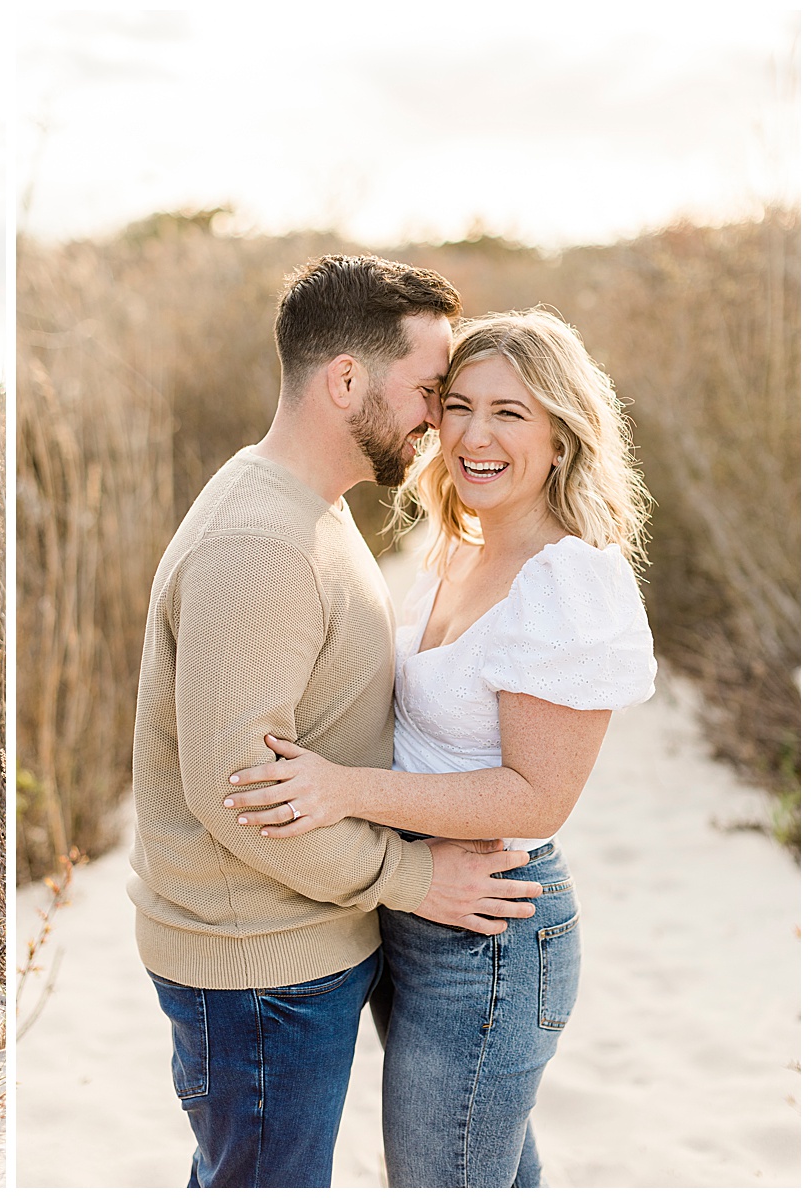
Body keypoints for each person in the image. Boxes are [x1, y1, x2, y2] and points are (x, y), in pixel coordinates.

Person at [129, 255, 546, 1189]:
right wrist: (414, 877)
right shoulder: (260, 544)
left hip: (291, 947)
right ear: (347, 380)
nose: (439, 420)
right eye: (429, 391)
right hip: (256, 970)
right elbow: (237, 795)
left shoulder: (305, 505)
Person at [225, 307, 657, 1186]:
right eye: (458, 406)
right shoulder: (453, 545)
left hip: (489, 941)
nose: (473, 435)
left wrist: (343, 789)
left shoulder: (567, 582)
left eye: (509, 413)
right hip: (415, 910)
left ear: (562, 436)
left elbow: (537, 796)